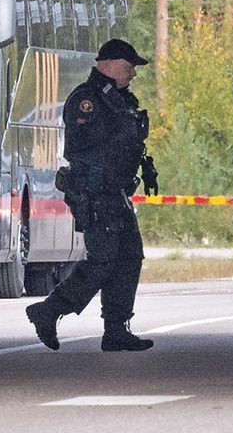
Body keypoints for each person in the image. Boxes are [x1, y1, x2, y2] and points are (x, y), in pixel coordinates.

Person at [25, 38, 159, 352]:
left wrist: (143, 165)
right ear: (109, 64)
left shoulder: (120, 99)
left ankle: (116, 330)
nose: (133, 74)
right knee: (102, 260)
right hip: (95, 192)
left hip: (116, 192)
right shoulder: (87, 100)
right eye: (129, 67)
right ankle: (49, 310)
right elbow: (85, 146)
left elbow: (127, 142)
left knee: (129, 256)